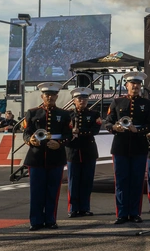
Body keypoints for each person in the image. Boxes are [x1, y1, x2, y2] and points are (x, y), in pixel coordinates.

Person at [105, 72, 150, 224]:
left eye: (138, 84)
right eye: (132, 84)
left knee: (137, 181)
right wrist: (114, 127)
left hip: (139, 147)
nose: (135, 86)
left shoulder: (147, 104)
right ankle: (121, 214)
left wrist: (138, 131)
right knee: (121, 181)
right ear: (126, 85)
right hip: (120, 147)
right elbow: (107, 122)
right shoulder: (117, 101)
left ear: (141, 86)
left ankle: (134, 213)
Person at [23, 82, 73, 231]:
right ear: (42, 96)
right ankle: (36, 221)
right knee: (36, 191)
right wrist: (29, 140)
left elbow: (68, 135)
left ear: (57, 96)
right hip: (36, 157)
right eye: (47, 95)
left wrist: (60, 143)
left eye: (52, 95)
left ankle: (50, 220)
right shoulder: (32, 113)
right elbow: (26, 132)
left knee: (53, 191)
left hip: (55, 157)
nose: (49, 97)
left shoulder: (64, 114)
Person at [65, 87, 102, 217]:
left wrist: (80, 132)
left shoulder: (94, 114)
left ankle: (85, 207)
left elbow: (95, 130)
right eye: (79, 98)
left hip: (88, 150)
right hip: (73, 151)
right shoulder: (68, 114)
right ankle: (73, 208)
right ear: (74, 100)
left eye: (85, 98)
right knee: (73, 181)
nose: (82, 101)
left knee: (87, 181)